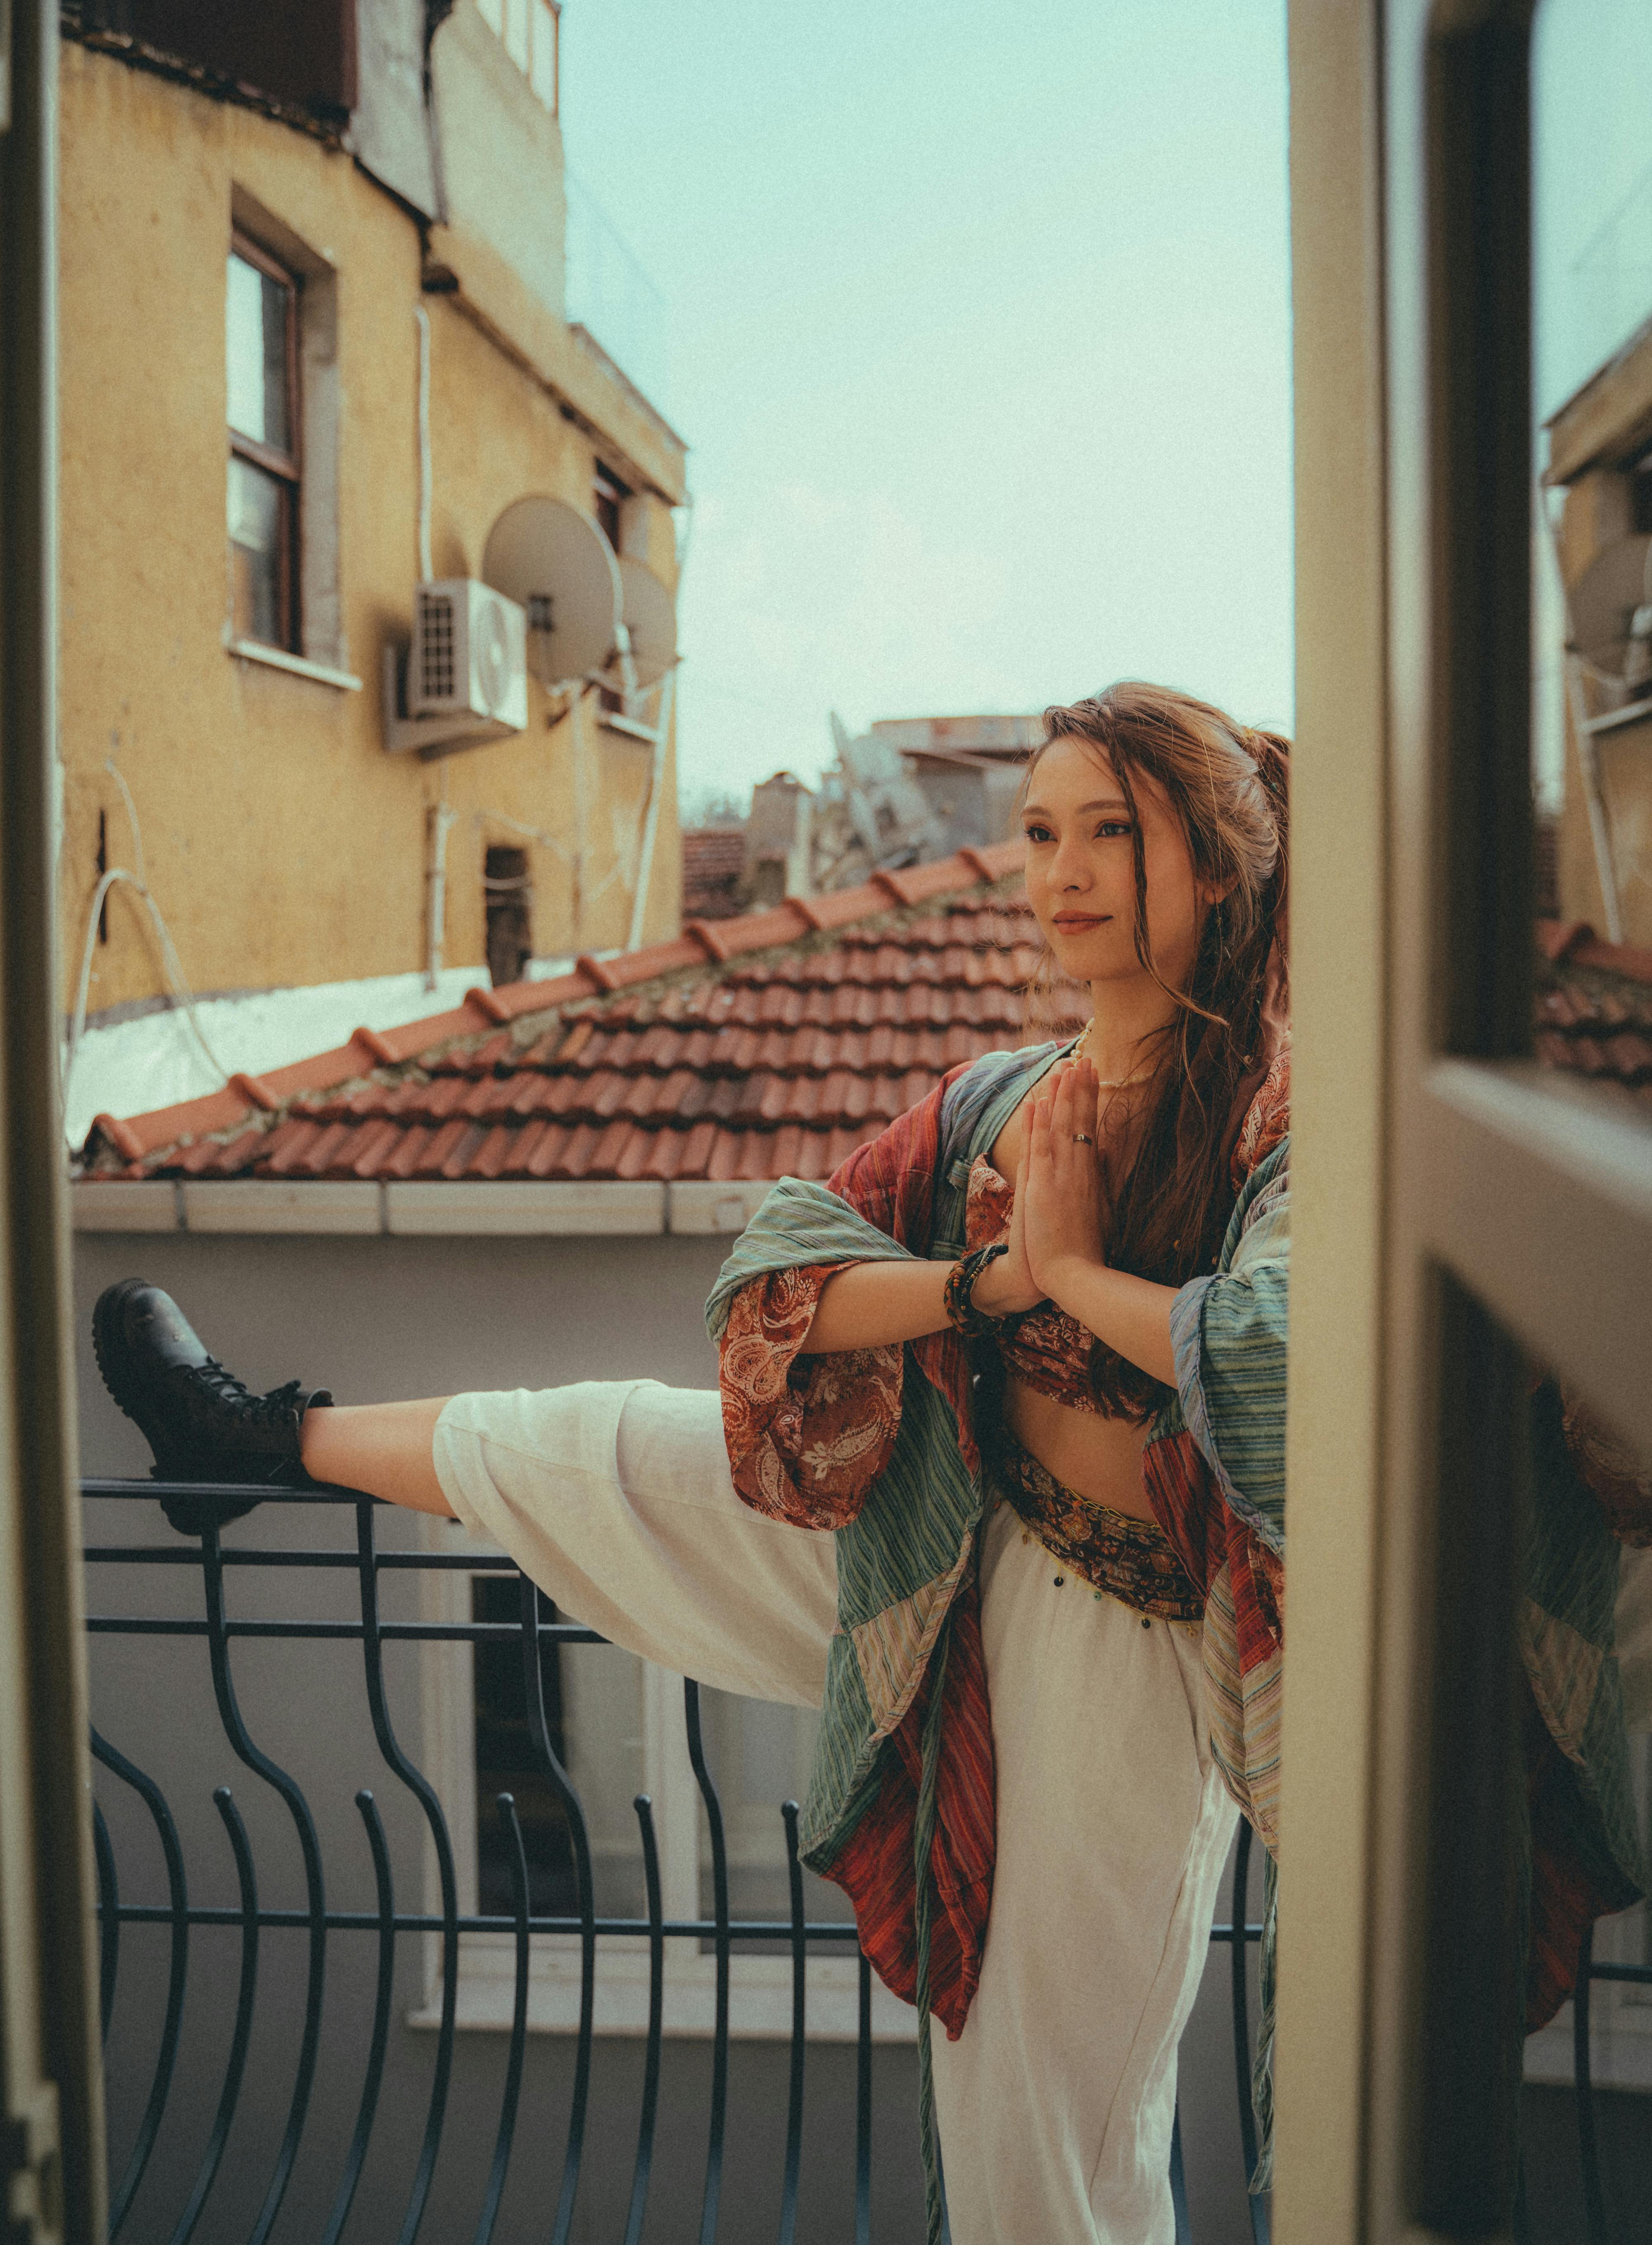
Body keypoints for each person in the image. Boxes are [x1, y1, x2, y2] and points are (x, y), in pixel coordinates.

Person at [97, 681, 1297, 2245]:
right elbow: (785, 1273)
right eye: (1040, 832)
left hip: (1121, 1646)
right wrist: (990, 1282)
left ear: (1213, 856)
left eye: (1111, 832)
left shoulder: (1278, 1116)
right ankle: (248, 1438)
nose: (1060, 871)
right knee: (596, 1441)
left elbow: (1275, 1358)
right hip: (942, 1540)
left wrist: (1073, 1274)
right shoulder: (1007, 1096)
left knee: (1038, 2126)